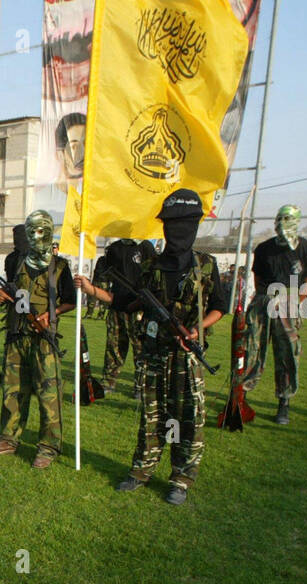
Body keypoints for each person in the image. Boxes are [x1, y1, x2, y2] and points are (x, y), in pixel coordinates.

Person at [76, 188, 227, 504]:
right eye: (172, 223)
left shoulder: (206, 266)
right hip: (153, 355)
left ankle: (180, 479)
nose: (177, 230)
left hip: (186, 356)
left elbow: (219, 306)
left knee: (186, 416)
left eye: (184, 223)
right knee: (152, 415)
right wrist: (92, 290)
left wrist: (197, 330)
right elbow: (126, 302)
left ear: (195, 225)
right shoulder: (151, 266)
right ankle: (142, 471)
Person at [0, 209, 76, 470]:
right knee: (12, 391)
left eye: (40, 230)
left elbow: (71, 301)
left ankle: (48, 446)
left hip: (44, 339)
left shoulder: (61, 265)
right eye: (31, 230)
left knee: (48, 394)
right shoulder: (16, 261)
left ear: (49, 231)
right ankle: (8, 439)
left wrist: (50, 315)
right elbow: (6, 287)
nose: (35, 236)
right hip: (16, 335)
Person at [241, 204, 307, 424]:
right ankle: (242, 395)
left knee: (287, 354)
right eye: (280, 218)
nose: (282, 223)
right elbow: (258, 281)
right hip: (264, 302)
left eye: (288, 218)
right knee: (252, 349)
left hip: (289, 306)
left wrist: (293, 303)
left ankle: (284, 402)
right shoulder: (264, 248)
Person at [90, 238, 154, 397]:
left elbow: (153, 272)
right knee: (114, 345)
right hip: (117, 305)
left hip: (139, 306)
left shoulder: (144, 246)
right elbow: (105, 276)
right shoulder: (114, 248)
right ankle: (108, 382)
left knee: (140, 347)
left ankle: (141, 386)